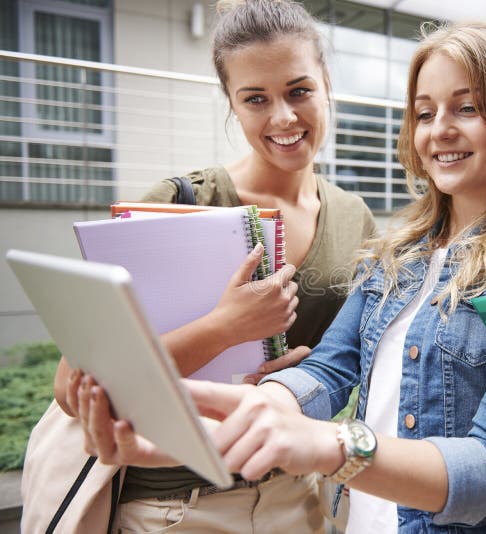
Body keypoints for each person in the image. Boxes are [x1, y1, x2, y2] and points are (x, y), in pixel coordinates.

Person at [78, 21, 486, 533]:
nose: (440, 129)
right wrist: (220, 425)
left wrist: (333, 446)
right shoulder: (397, 254)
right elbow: (329, 371)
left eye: (467, 108)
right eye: (425, 113)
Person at [55, 0, 375, 532]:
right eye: (255, 99)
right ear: (231, 102)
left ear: (325, 82)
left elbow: (362, 355)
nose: (283, 117)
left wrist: (298, 382)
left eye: (299, 90)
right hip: (173, 506)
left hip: (298, 498)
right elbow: (74, 387)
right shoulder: (180, 202)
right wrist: (225, 329)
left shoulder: (353, 218)